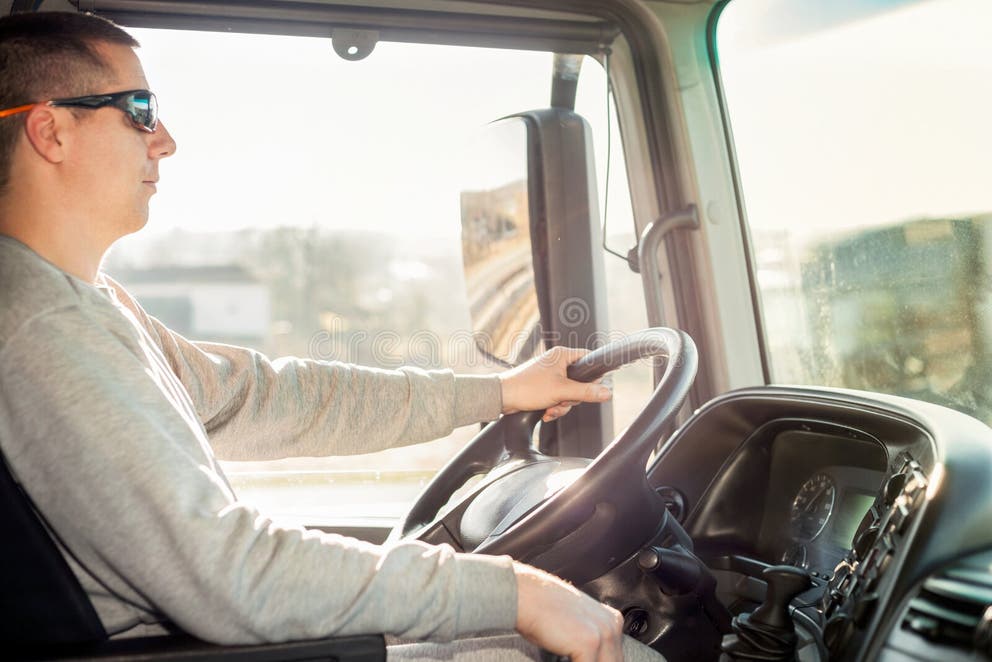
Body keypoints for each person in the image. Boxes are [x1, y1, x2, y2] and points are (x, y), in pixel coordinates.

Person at [0, 11, 665, 662]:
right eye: (139, 108)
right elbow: (231, 576)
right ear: (51, 131)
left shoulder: (88, 303)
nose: (164, 139)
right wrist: (517, 591)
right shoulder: (41, 326)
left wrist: (497, 392)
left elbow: (265, 399)